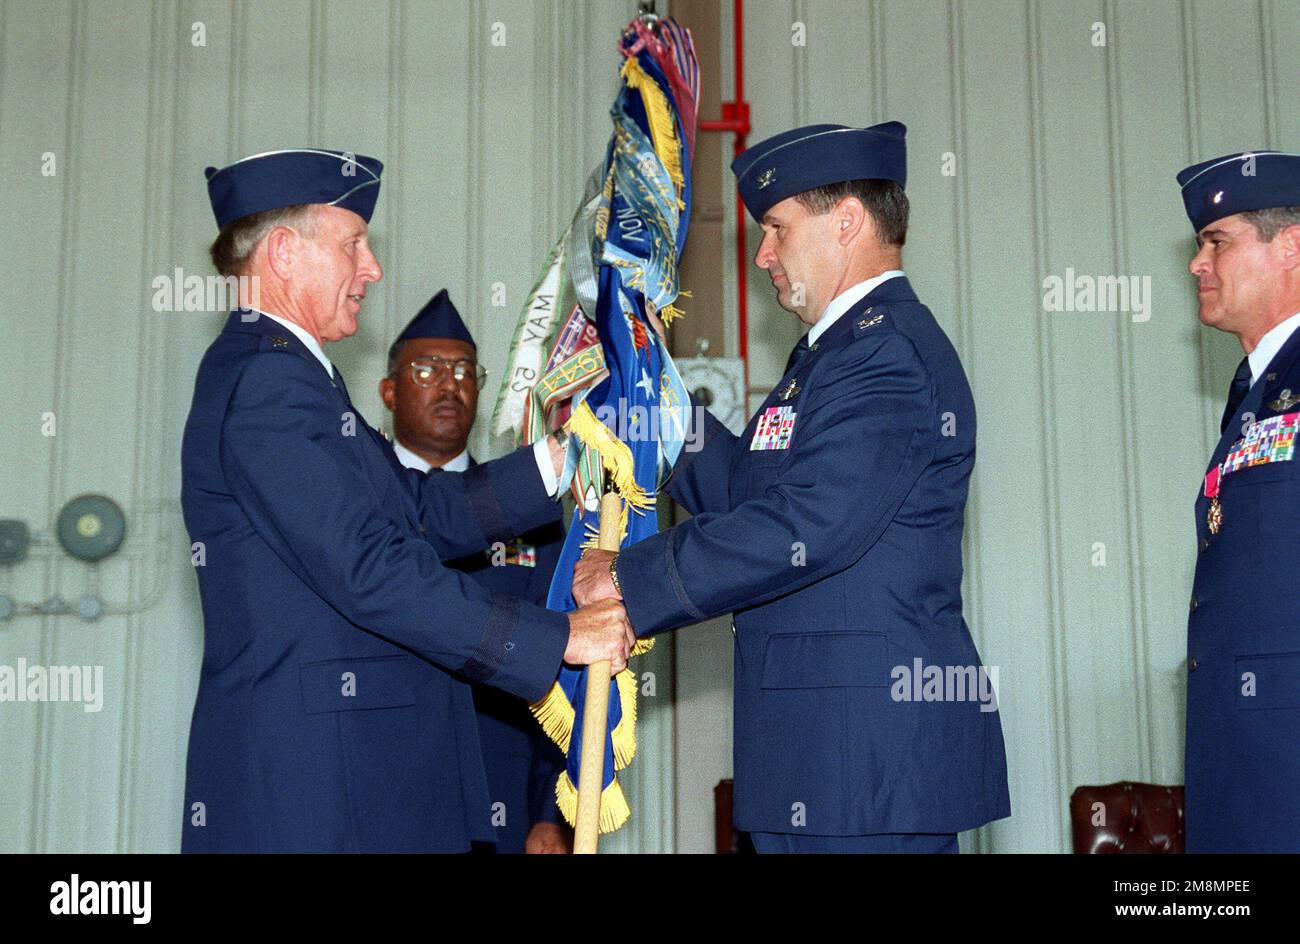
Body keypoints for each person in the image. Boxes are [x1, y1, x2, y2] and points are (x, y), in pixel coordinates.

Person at [573, 122, 1010, 853]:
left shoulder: (887, 354)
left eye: (776, 229)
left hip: (864, 762)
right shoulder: (832, 357)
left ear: (848, 222)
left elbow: (804, 523)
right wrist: (646, 394)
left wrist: (629, 577)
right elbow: (754, 491)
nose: (763, 255)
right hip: (816, 755)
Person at [181, 148, 632, 853]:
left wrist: (563, 453)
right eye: (353, 244)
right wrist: (561, 639)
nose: (373, 268)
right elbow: (370, 567)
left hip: (353, 781)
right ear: (284, 253)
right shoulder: (269, 380)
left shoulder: (290, 373)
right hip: (322, 792)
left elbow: (419, 509)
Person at [379, 289, 571, 854]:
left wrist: (550, 812)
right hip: (380, 786)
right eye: (428, 368)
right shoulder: (362, 507)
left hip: (502, 796)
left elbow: (564, 667)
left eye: (465, 370)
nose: (450, 383)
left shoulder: (529, 516)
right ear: (388, 391)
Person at [1176, 149, 1300, 853]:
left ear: (1292, 246)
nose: (1197, 263)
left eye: (1216, 240)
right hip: (1249, 752)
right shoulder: (1256, 390)